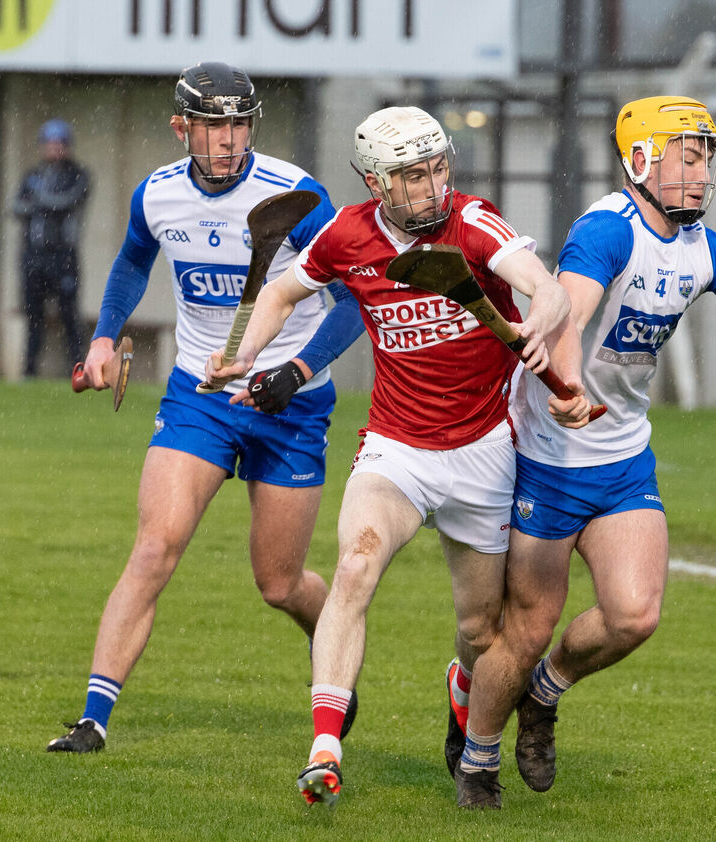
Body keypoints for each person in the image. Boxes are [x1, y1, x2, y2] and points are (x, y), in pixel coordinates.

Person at [455, 95, 716, 802]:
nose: (700, 175)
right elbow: (568, 309)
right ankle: (477, 757)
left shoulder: (705, 250)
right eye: (686, 158)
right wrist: (566, 383)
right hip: (550, 454)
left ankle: (541, 699)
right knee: (525, 626)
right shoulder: (606, 230)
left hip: (623, 456)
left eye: (706, 159)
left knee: (635, 615)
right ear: (640, 160)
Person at [203, 105, 590, 810]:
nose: (432, 187)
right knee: (354, 566)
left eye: (439, 168)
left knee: (481, 630)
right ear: (375, 181)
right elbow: (287, 290)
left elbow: (549, 285)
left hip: (482, 451)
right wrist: (253, 351)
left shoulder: (473, 223)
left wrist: (539, 318)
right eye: (413, 175)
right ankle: (325, 746)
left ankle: (462, 691)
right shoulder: (348, 234)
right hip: (396, 451)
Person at [46, 62, 365, 755]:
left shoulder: (294, 193)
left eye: (240, 122)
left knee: (279, 583)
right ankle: (93, 719)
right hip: (201, 394)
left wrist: (295, 370)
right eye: (214, 124)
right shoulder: (158, 195)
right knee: (156, 546)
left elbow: (353, 301)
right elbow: (134, 261)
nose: (228, 138)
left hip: (292, 404)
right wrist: (105, 335)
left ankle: (331, 640)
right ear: (181, 128)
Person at [12, 118, 90, 377]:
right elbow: (16, 208)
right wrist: (41, 203)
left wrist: (40, 201)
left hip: (63, 255)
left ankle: (77, 370)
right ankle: (29, 372)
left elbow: (67, 202)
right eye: (49, 143)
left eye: (59, 144)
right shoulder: (32, 175)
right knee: (34, 316)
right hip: (34, 255)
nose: (54, 149)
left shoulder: (78, 174)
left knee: (69, 316)